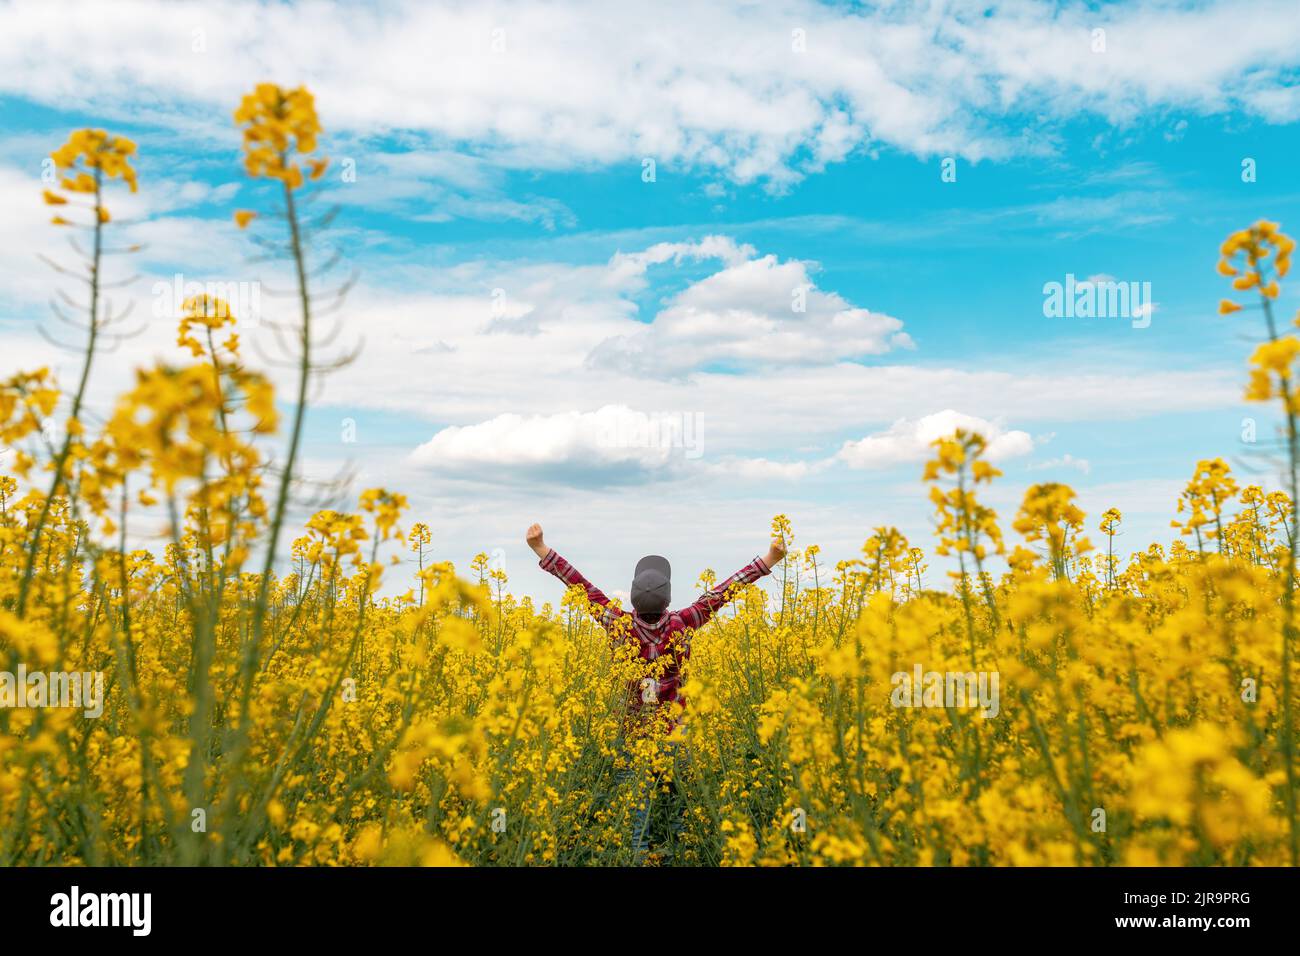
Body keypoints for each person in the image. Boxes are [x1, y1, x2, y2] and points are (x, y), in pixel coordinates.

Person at [525, 522, 788, 861]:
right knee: (678, 807)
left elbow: (580, 586)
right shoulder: (683, 622)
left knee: (635, 810)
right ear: (667, 599)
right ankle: (679, 854)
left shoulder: (618, 623)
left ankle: (637, 857)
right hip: (675, 733)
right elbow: (725, 591)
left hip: (631, 734)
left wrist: (541, 549)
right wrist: (770, 558)